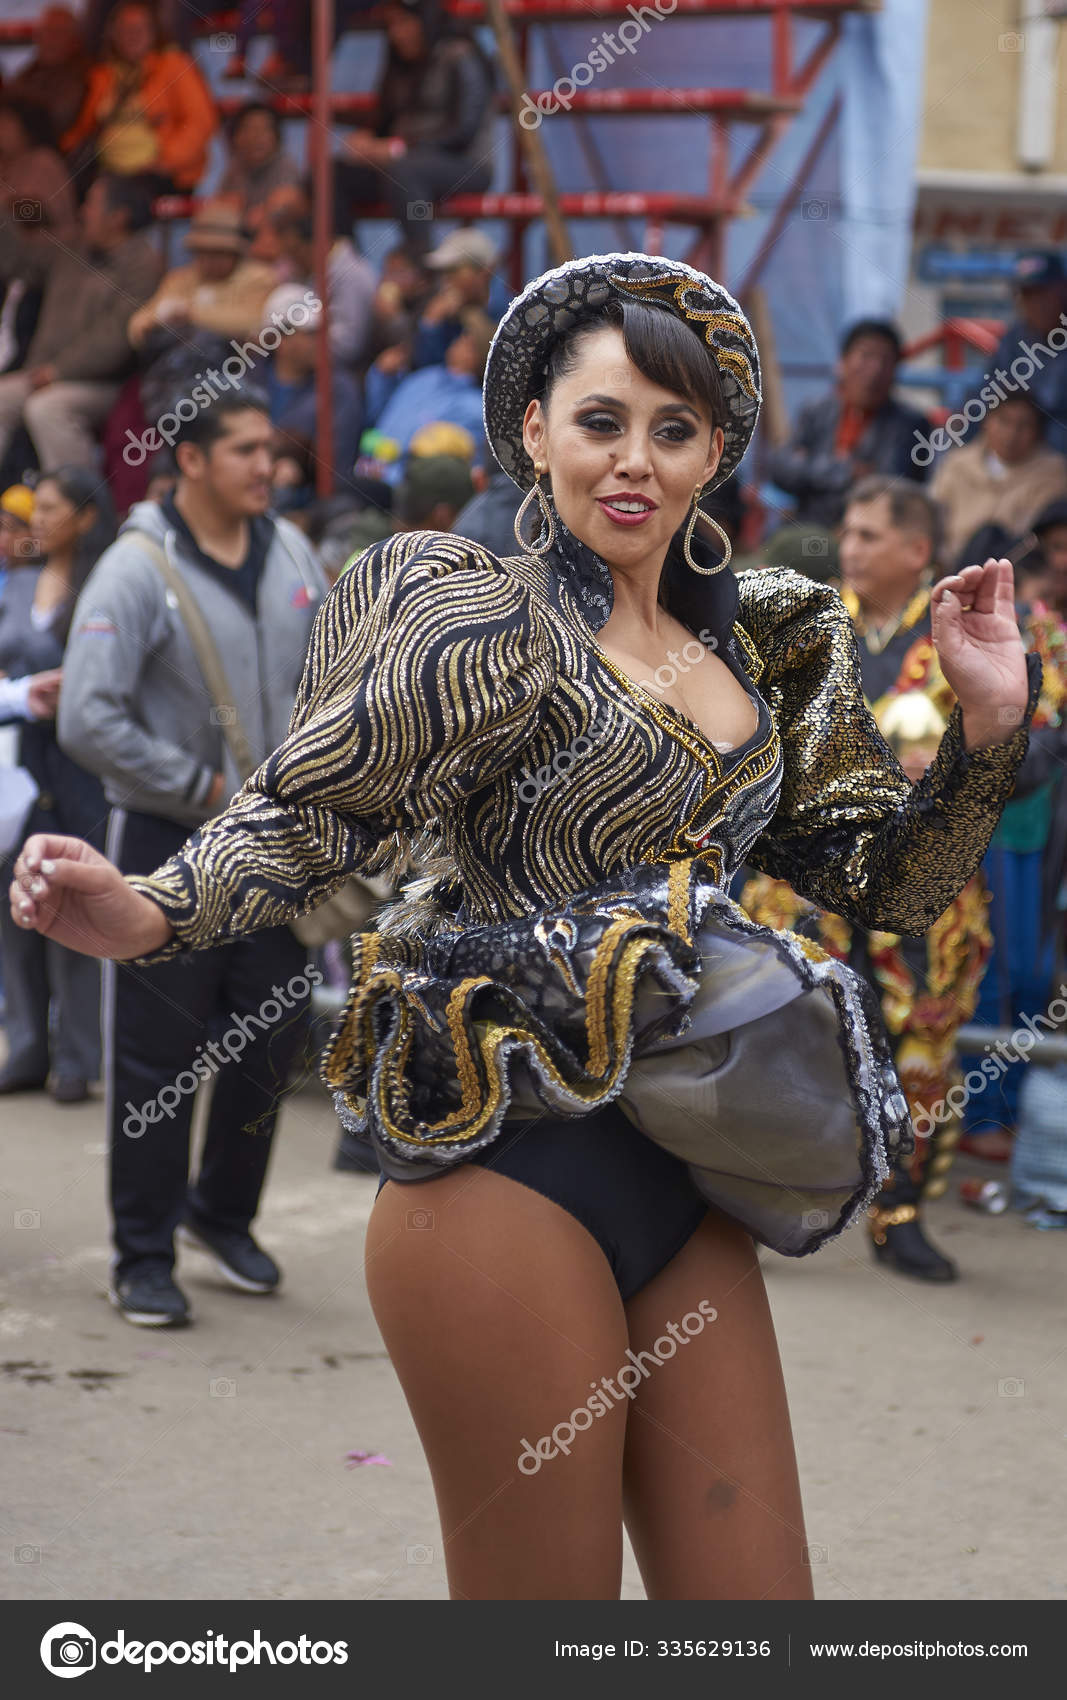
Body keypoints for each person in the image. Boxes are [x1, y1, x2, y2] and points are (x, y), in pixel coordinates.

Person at [8, 254, 1038, 1601]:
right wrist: (148, 911)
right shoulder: (476, 615)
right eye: (600, 421)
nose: (634, 463)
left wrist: (981, 733)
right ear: (534, 430)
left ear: (716, 448)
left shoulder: (765, 643)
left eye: (672, 431)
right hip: (500, 1171)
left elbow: (885, 886)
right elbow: (315, 812)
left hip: (681, 1165)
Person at [52, 390, 329, 1327]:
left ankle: (223, 1216)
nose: (268, 466)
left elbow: (330, 678)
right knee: (159, 1059)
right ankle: (142, 1252)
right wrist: (202, 788)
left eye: (271, 450)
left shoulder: (292, 554)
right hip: (168, 843)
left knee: (268, 1044)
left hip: (278, 845)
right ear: (193, 462)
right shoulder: (136, 570)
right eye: (246, 450)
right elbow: (88, 715)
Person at [0, 468, 114, 1102]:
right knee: (12, 903)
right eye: (34, 508)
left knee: (71, 901)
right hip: (16, 762)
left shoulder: (104, 589)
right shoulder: (14, 584)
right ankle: (25, 1047)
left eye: (52, 507)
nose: (37, 519)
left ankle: (76, 1058)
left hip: (77, 764)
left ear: (87, 517)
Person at [0, 173, 161, 471]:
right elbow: (16, 261)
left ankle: (77, 504)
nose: (83, 211)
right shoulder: (72, 247)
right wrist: (8, 213)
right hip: (40, 372)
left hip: (102, 384)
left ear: (118, 217)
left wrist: (59, 370)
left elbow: (117, 338)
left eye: (92, 204)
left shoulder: (143, 264)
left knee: (48, 409)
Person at [334, 0, 495, 257]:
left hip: (464, 163)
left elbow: (463, 131)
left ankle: (421, 261)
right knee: (332, 174)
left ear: (426, 19)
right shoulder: (397, 60)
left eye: (404, 22)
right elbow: (387, 121)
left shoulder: (461, 54)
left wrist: (398, 148)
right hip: (403, 163)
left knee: (405, 170)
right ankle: (347, 266)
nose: (397, 33)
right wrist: (368, 141)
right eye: (391, 25)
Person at [766, 319, 930, 528]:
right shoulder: (815, 412)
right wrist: (845, 470)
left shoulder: (910, 424)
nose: (875, 369)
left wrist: (810, 466)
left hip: (872, 532)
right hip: (809, 528)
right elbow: (781, 468)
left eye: (886, 360)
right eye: (866, 356)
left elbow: (886, 486)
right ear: (842, 363)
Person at [61, 0, 217, 197]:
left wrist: (166, 160)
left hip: (156, 174)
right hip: (108, 169)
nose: (132, 35)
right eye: (125, 29)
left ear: (154, 32)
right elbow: (85, 128)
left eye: (139, 28)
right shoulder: (103, 75)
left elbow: (201, 122)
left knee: (107, 195)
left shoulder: (174, 66)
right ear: (113, 35)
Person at [930, 393, 1067, 568]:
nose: (1012, 433)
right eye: (1004, 421)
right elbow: (935, 524)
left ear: (1038, 432)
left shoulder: (1053, 474)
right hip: (950, 567)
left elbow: (1039, 541)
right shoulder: (956, 464)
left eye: (1024, 425)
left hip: (1015, 575)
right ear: (987, 422)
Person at [127, 200, 276, 352]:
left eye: (217, 252)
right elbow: (138, 325)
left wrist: (191, 313)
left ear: (235, 252)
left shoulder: (258, 278)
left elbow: (255, 321)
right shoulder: (180, 279)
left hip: (233, 367)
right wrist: (156, 319)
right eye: (201, 252)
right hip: (178, 365)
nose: (208, 261)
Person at [364, 307, 491, 483]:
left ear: (480, 356)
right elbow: (377, 415)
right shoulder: (424, 377)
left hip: (405, 487)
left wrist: (393, 474)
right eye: (461, 337)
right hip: (367, 468)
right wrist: (382, 377)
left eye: (468, 343)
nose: (458, 344)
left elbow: (445, 467)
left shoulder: (474, 407)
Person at [263, 284, 365, 487]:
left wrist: (300, 465)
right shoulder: (247, 382)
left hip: (306, 501)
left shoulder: (339, 390)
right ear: (280, 340)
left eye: (322, 332)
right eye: (310, 334)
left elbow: (337, 469)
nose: (321, 340)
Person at [267, 203, 378, 367]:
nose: (292, 261)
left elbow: (348, 346)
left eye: (296, 251)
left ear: (318, 245)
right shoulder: (312, 272)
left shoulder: (352, 276)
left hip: (345, 373)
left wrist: (296, 345)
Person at [989, 252, 1067, 457]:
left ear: (1063, 290)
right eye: (1027, 294)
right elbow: (987, 395)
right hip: (1020, 448)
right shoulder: (1015, 337)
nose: (1035, 304)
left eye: (1042, 293)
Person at [0, 96, 78, 244]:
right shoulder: (6, 165)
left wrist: (5, 205)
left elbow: (36, 213)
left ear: (27, 128)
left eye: (5, 124)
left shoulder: (44, 161)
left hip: (47, 257)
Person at [7, 6, 90, 144]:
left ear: (74, 39)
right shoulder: (32, 70)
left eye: (57, 33)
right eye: (43, 33)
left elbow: (58, 116)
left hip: (47, 149)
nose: (48, 39)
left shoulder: (82, 73)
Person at [215, 102, 302, 220]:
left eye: (263, 130)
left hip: (277, 233)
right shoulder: (236, 167)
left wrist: (266, 211)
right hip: (241, 233)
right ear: (236, 137)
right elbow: (222, 204)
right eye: (248, 129)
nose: (255, 137)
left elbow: (288, 203)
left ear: (277, 137)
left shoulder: (285, 166)